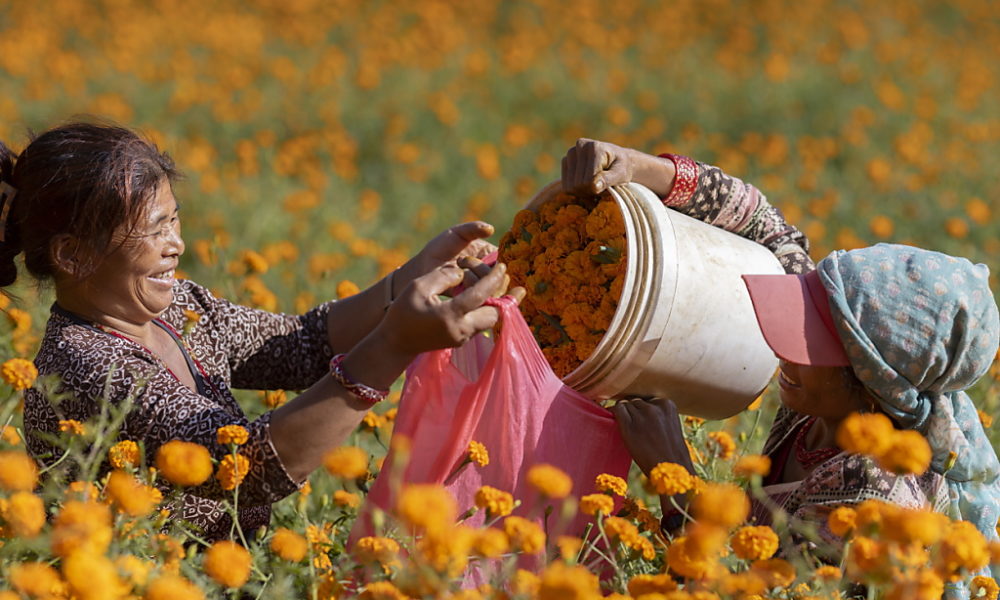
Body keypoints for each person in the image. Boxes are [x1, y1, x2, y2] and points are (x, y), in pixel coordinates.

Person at [0, 121, 523, 541]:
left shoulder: (176, 306)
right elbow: (248, 467)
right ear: (74, 255)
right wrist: (394, 344)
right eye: (153, 230)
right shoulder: (84, 366)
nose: (176, 244)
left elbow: (302, 344)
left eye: (173, 220)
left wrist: (411, 277)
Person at [562, 138, 1000, 595]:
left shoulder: (878, 498)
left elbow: (763, 589)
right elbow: (766, 229)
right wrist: (636, 167)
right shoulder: (823, 398)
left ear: (876, 384)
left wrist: (677, 481)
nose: (786, 353)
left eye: (811, 345)